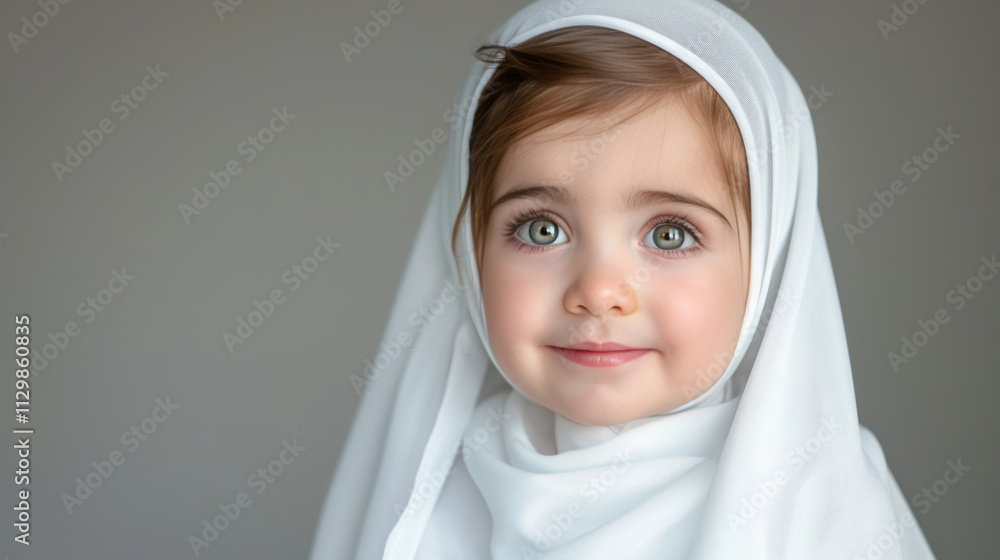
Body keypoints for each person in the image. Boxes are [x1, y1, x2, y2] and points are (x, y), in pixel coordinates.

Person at [309, 0, 938, 558]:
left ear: (768, 261)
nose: (599, 290)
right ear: (471, 256)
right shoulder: (427, 500)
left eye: (669, 234)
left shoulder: (820, 501)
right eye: (541, 229)